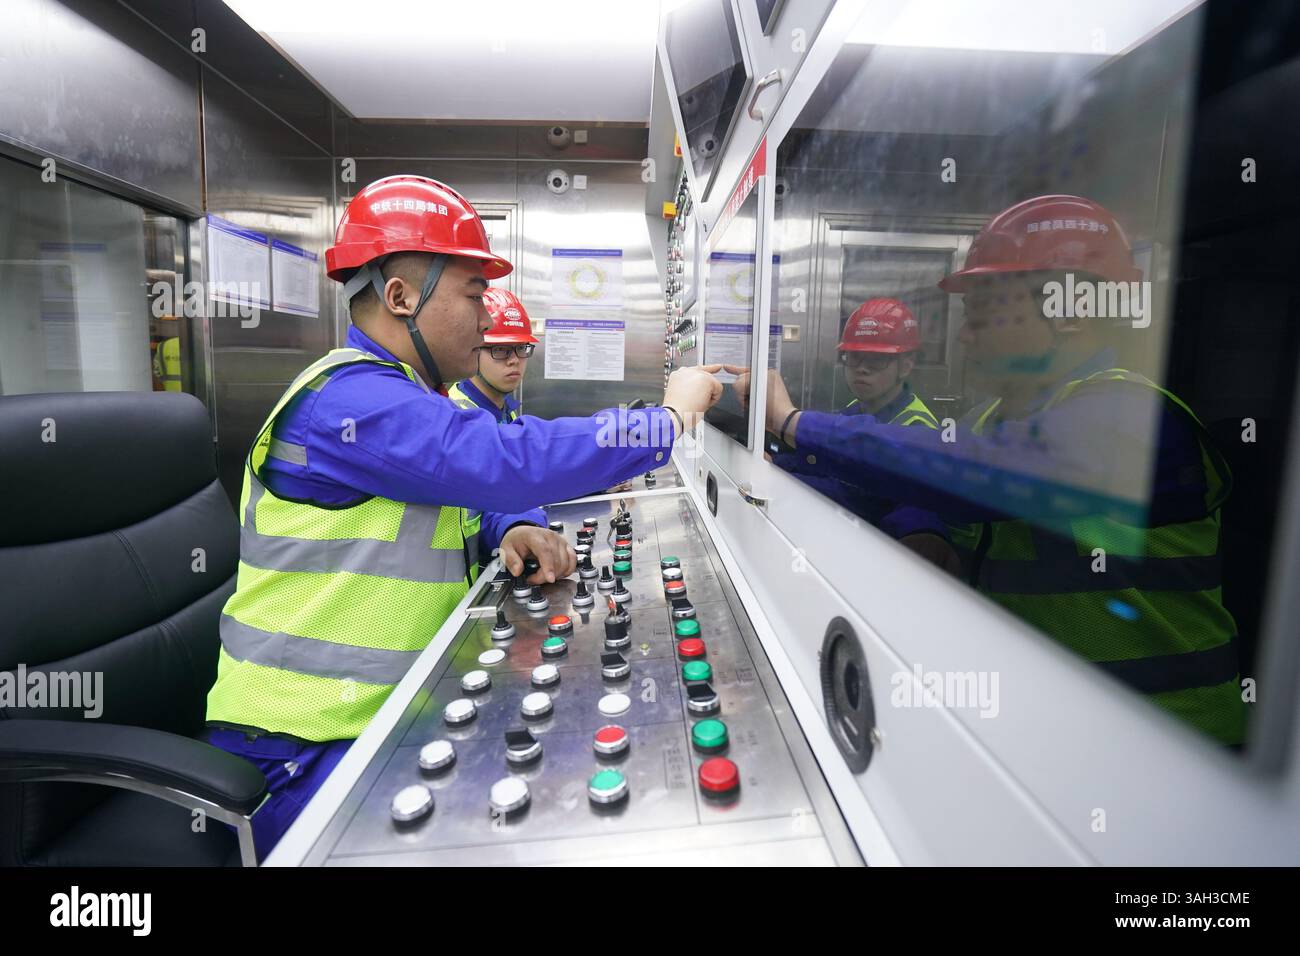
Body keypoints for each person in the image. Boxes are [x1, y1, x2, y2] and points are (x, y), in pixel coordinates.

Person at [204, 175, 724, 856]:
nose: (487, 322)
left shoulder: (417, 398)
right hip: (301, 746)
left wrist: (508, 527)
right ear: (399, 299)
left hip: (386, 716)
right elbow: (501, 458)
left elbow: (456, 498)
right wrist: (668, 418)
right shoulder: (349, 403)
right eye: (473, 296)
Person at [748, 195, 1245, 745]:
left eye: (982, 316)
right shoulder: (996, 417)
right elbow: (940, 491)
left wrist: (793, 422)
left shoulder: (1131, 417)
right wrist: (930, 531)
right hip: (1058, 730)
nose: (964, 336)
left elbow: (976, 472)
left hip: (1170, 740)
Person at [764, 297, 958, 572]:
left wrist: (778, 479)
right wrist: (776, 465)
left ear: (906, 365)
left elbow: (861, 496)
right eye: (854, 358)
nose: (862, 369)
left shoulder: (916, 426)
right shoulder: (856, 411)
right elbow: (826, 463)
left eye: (877, 360)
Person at [447, 287, 533, 423]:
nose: (515, 360)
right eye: (500, 349)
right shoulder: (457, 418)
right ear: (472, 350)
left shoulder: (504, 410)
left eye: (521, 348)